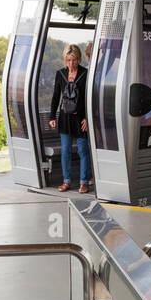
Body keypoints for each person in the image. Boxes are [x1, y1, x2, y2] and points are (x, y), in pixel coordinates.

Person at [49, 43, 93, 193]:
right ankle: (66, 181)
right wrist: (52, 116)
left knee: (83, 151)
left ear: (79, 59)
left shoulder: (86, 74)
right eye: (68, 60)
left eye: (74, 60)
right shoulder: (60, 74)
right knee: (66, 151)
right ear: (65, 60)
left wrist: (87, 118)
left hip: (80, 119)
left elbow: (89, 98)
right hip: (65, 119)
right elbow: (56, 97)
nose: (71, 63)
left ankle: (84, 182)